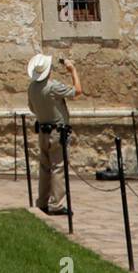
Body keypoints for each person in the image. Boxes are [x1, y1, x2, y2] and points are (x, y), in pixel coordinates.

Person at [26, 53, 85, 216]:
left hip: (43, 132)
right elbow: (77, 91)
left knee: (45, 168)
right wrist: (72, 70)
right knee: (58, 167)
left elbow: (32, 108)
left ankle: (42, 202)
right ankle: (57, 204)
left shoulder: (32, 87)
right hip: (57, 132)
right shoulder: (53, 86)